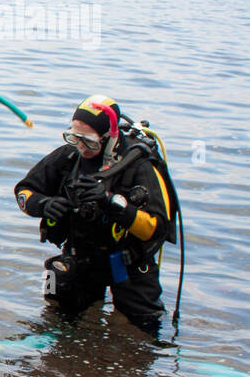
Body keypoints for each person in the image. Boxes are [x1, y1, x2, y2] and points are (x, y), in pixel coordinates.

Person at [14, 96, 173, 332]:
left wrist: (112, 204)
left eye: (88, 141)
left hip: (127, 262)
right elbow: (23, 191)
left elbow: (156, 228)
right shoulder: (67, 158)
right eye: (73, 137)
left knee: (143, 329)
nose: (80, 146)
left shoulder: (139, 167)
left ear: (109, 137)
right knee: (57, 319)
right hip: (81, 256)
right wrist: (43, 204)